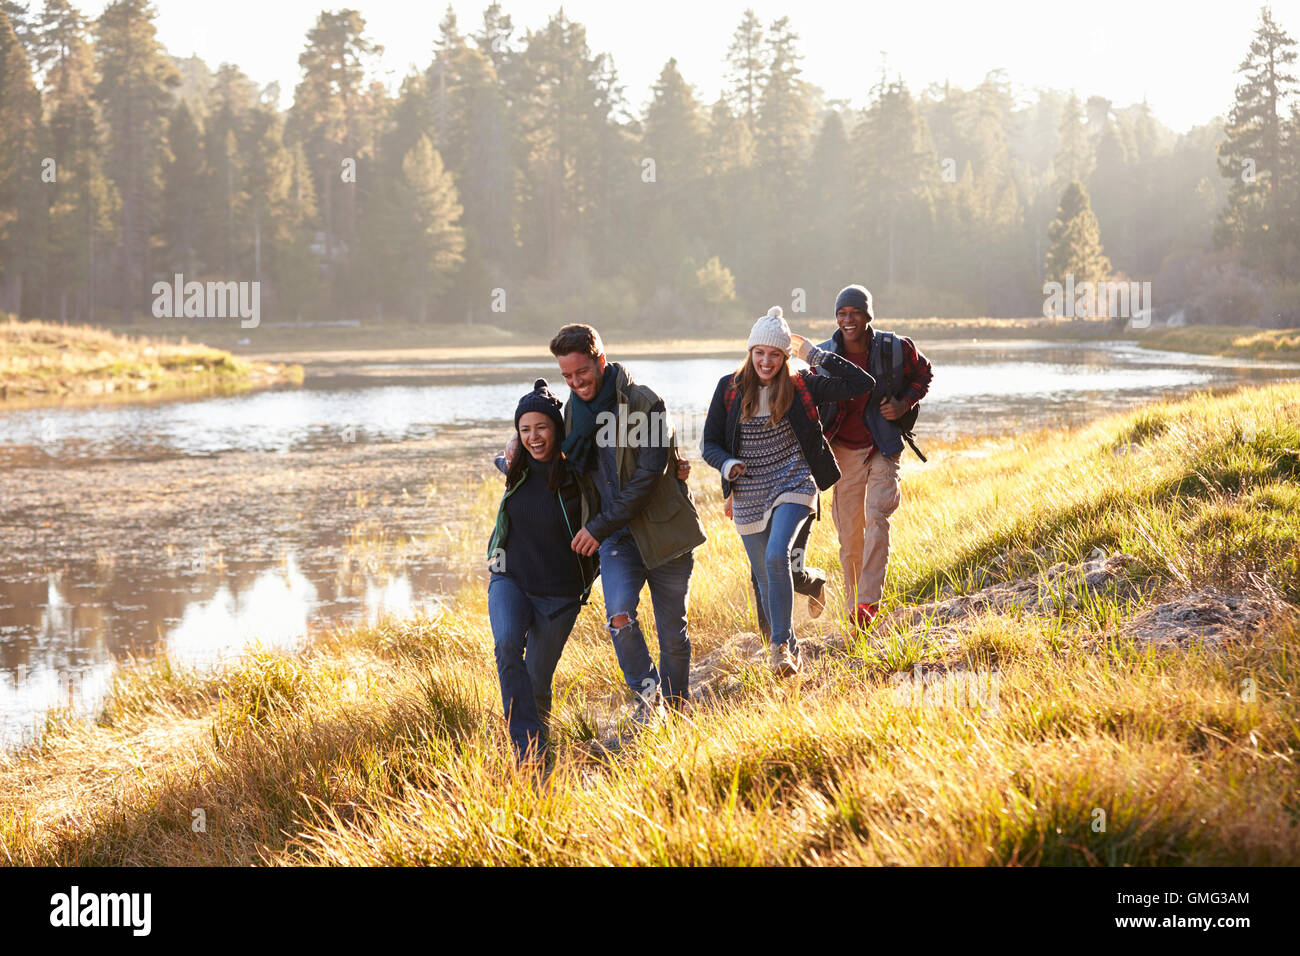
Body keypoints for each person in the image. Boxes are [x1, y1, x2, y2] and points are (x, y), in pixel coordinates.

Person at [702, 307, 873, 676]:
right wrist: (727, 465)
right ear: (750, 353)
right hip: (749, 490)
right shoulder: (729, 388)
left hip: (794, 481)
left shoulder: (802, 384)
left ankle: (778, 647)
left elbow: (862, 384)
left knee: (776, 555)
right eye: (760, 352)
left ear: (785, 356)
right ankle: (789, 649)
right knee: (764, 576)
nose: (766, 361)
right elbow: (710, 444)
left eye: (775, 354)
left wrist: (814, 354)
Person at [549, 323, 706, 718]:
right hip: (617, 538)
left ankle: (678, 707)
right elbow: (569, 468)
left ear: (599, 360)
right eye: (566, 376)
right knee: (619, 616)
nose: (575, 382)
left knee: (673, 633)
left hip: (664, 532)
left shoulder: (645, 402)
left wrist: (596, 527)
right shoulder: (573, 412)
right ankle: (651, 699)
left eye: (581, 372)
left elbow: (647, 480)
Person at [486, 379, 599, 761]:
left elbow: (623, 484)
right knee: (505, 647)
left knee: (536, 681)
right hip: (510, 578)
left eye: (542, 427)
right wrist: (511, 450)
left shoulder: (578, 473)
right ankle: (526, 749)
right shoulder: (514, 466)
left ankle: (539, 744)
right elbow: (500, 459)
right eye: (525, 429)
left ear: (557, 429)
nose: (534, 437)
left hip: (560, 593)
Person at [815, 284, 933, 628]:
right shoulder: (823, 357)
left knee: (877, 516)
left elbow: (923, 374)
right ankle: (854, 606)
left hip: (883, 446)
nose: (847, 319)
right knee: (850, 534)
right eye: (841, 314)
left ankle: (868, 602)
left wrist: (903, 403)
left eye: (854, 313)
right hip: (843, 453)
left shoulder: (894, 348)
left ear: (867, 316)